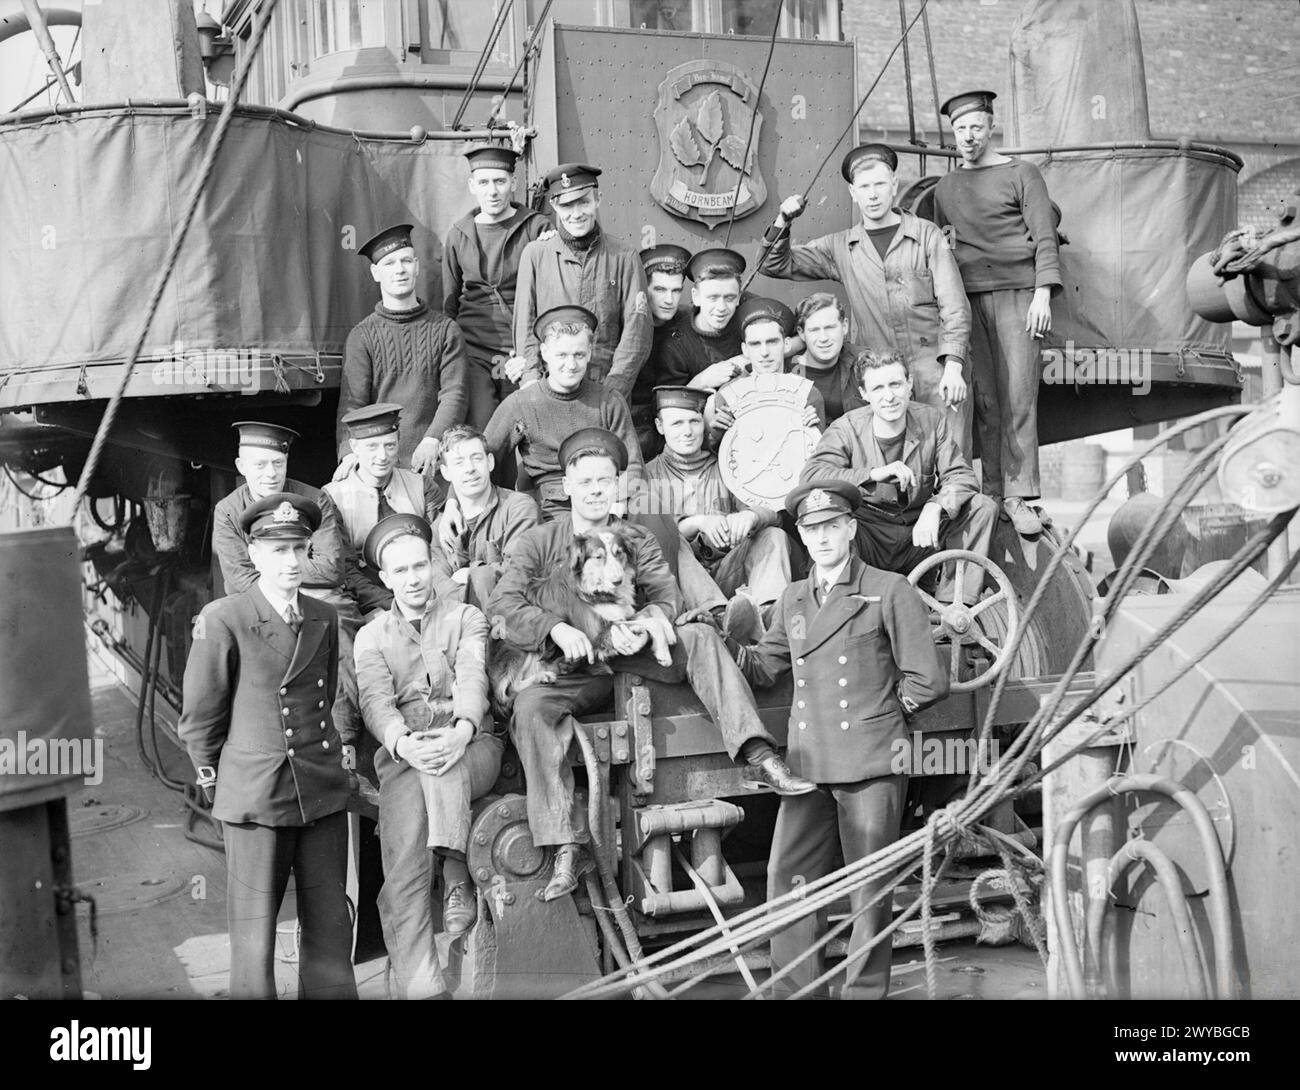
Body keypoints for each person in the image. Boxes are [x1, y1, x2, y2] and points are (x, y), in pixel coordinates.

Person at [487, 428, 815, 901]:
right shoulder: (540, 541)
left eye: (606, 480)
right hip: (572, 668)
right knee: (532, 708)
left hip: (635, 655)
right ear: (567, 487)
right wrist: (555, 628)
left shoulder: (636, 537)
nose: (597, 490)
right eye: (587, 481)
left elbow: (666, 595)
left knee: (700, 635)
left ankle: (760, 756)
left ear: (618, 485)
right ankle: (563, 844)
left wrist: (647, 624)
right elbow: (504, 603)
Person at [733, 480, 948, 999]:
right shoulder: (794, 598)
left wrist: (883, 715)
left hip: (870, 765)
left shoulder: (888, 589)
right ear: (802, 537)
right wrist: (729, 646)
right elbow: (766, 666)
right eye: (813, 529)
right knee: (789, 883)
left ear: (850, 529)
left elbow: (929, 679)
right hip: (808, 765)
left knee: (869, 894)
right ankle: (796, 992)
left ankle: (862, 994)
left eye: (833, 526)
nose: (823, 537)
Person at [179, 493, 358, 1000]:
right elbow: (200, 719)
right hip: (257, 796)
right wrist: (220, 785)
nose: (291, 562)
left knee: (329, 928)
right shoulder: (225, 618)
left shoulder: (324, 614)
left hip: (319, 789)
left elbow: (320, 699)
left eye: (299, 549)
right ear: (253, 555)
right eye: (278, 551)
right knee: (254, 940)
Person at [353, 512, 503, 1000]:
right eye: (401, 571)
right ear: (384, 578)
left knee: (444, 761)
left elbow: (472, 676)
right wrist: (401, 741)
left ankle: (457, 879)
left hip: (473, 751)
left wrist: (462, 728)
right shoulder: (371, 637)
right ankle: (424, 988)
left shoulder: (466, 617)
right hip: (403, 762)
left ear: (432, 565)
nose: (414, 579)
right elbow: (375, 701)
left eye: (420, 566)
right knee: (404, 876)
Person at [760, 143, 972, 455]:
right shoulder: (841, 248)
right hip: (879, 373)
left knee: (949, 453)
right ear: (853, 193)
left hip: (935, 368)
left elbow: (954, 306)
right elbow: (773, 264)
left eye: (879, 185)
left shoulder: (928, 235)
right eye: (864, 187)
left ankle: (953, 505)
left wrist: (953, 366)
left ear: (894, 186)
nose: (872, 195)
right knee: (891, 458)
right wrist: (783, 221)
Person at [931, 91, 1063, 534]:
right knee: (984, 398)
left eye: (975, 128)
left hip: (1019, 295)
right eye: (959, 130)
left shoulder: (1022, 174)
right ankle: (990, 493)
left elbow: (1045, 235)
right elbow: (937, 249)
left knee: (1019, 394)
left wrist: (1042, 293)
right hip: (968, 299)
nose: (967, 137)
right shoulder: (945, 188)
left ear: (991, 127)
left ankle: (1020, 494)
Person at [800, 351, 998, 602]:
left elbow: (961, 476)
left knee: (981, 507)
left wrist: (935, 506)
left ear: (910, 383)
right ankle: (843, 602)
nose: (889, 396)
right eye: (878, 388)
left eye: (895, 384)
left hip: (919, 537)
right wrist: (872, 474)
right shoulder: (846, 427)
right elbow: (812, 476)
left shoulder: (931, 420)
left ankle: (954, 608)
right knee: (836, 519)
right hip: (867, 537)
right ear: (864, 394)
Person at [211, 420, 363, 739]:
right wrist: (292, 583)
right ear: (241, 466)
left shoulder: (313, 499)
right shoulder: (227, 511)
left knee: (332, 617)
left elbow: (331, 567)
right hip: (255, 603)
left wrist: (280, 577)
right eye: (260, 464)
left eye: (278, 463)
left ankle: (343, 740)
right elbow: (240, 580)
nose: (270, 473)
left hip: (319, 598)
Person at [639, 384, 793, 639]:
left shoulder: (728, 465)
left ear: (704, 425)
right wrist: (697, 522)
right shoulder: (646, 475)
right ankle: (719, 616)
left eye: (694, 422)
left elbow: (774, 513)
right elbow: (643, 538)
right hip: (681, 585)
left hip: (727, 570)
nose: (687, 432)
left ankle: (770, 616)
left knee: (773, 536)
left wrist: (751, 515)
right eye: (677, 423)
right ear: (659, 426)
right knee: (671, 540)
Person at [484, 305, 643, 520]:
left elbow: (633, 465)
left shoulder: (609, 401)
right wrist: (454, 504)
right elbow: (483, 455)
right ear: (545, 353)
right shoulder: (521, 404)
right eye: (562, 355)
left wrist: (615, 504)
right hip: (551, 508)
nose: (571, 364)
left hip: (603, 499)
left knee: (651, 523)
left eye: (578, 354)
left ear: (589, 353)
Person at [337, 223, 468, 475]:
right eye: (389, 263)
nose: (399, 270)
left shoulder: (446, 329)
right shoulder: (362, 336)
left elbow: (455, 394)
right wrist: (349, 454)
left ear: (417, 266)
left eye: (406, 261)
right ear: (375, 272)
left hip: (433, 460)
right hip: (382, 462)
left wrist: (433, 440)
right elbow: (352, 404)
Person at [509, 164, 651, 398]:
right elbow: (525, 326)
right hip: (549, 388)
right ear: (554, 205)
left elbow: (637, 332)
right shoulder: (536, 254)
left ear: (598, 200)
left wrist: (615, 389)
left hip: (605, 386)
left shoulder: (624, 256)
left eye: (584, 202)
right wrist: (531, 382)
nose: (576, 214)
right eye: (566, 205)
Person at [442, 144, 551, 428]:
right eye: (484, 182)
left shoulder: (536, 227)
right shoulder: (458, 235)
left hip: (524, 350)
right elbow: (449, 302)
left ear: (513, 183)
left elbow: (551, 300)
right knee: (482, 428)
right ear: (472, 185)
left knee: (524, 433)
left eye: (500, 181)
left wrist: (533, 355)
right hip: (474, 351)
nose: (492, 191)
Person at [324, 404, 447, 619]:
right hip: (369, 597)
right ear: (354, 446)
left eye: (390, 446)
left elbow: (440, 549)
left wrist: (429, 596)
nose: (382, 456)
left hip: (425, 586)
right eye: (372, 447)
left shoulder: (421, 485)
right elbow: (346, 568)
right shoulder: (333, 496)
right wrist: (392, 605)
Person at [432, 423, 541, 608]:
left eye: (476, 458)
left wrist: (470, 574)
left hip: (513, 615)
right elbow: (437, 582)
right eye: (459, 462)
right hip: (461, 624)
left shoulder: (519, 507)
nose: (470, 469)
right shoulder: (440, 528)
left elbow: (520, 569)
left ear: (490, 462)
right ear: (446, 472)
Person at [707, 297, 825, 441]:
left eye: (772, 342)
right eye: (755, 344)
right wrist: (717, 434)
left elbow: (818, 456)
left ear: (786, 344)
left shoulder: (808, 394)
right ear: (745, 349)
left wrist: (813, 431)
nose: (764, 352)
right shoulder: (726, 395)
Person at [629, 242, 693, 459]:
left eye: (676, 291)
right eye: (660, 289)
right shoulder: (625, 324)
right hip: (635, 424)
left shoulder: (686, 319)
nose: (669, 300)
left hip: (679, 424)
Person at [657, 248, 751, 393]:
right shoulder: (676, 344)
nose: (721, 307)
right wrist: (701, 381)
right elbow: (665, 402)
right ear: (696, 297)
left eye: (729, 298)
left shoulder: (748, 318)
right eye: (712, 298)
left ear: (739, 297)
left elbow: (793, 339)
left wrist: (748, 358)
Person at [791, 293, 865, 425]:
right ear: (801, 333)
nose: (823, 338)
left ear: (844, 327)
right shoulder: (788, 371)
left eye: (830, 328)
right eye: (814, 330)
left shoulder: (864, 362)